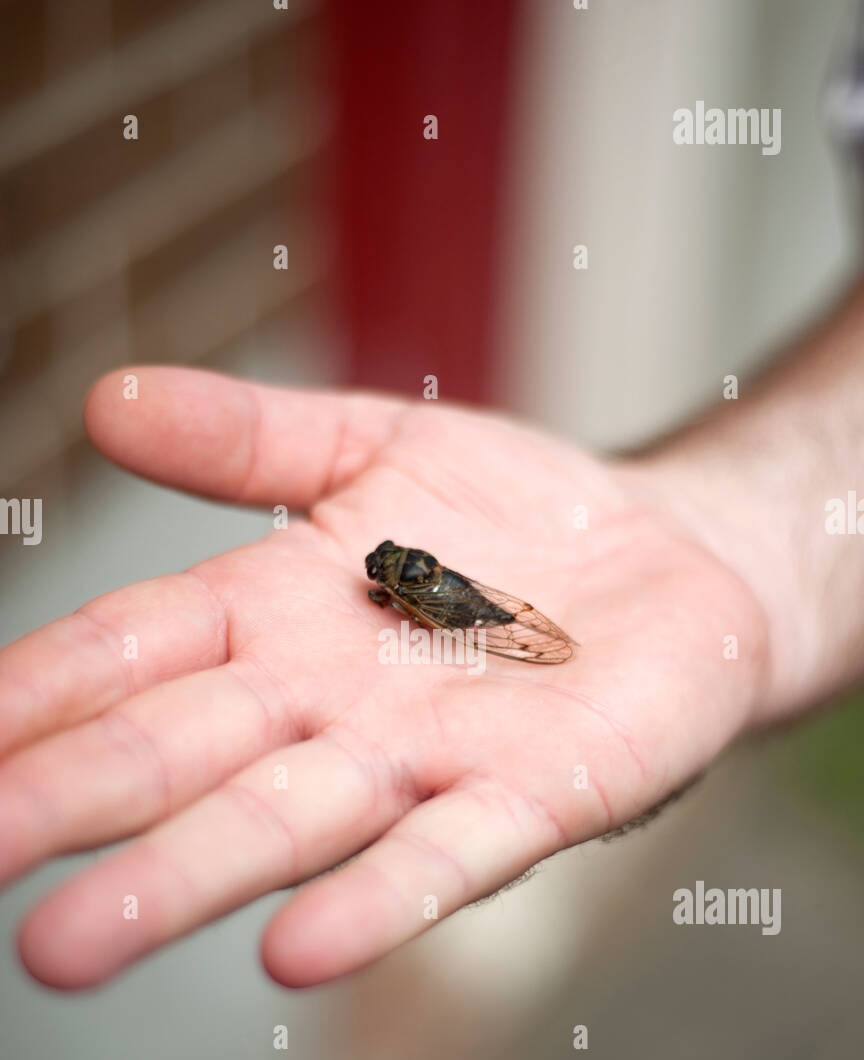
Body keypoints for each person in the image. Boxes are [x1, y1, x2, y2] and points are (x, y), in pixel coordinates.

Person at [2, 274, 864, 990]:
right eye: (388, 572)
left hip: (464, 604)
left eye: (388, 572)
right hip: (452, 588)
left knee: (483, 617)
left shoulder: (405, 594)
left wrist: (430, 606)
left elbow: (427, 608)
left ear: (396, 573)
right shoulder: (396, 579)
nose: (382, 576)